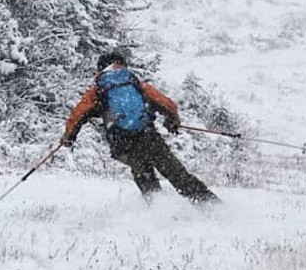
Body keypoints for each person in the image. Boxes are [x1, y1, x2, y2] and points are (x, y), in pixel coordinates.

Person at [61, 50, 219, 204]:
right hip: (148, 137)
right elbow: (168, 105)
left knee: (143, 173)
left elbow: (78, 114)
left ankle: (158, 209)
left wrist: (69, 137)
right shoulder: (137, 85)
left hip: (122, 143)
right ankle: (211, 206)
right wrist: (172, 121)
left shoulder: (97, 90)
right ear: (122, 65)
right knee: (177, 174)